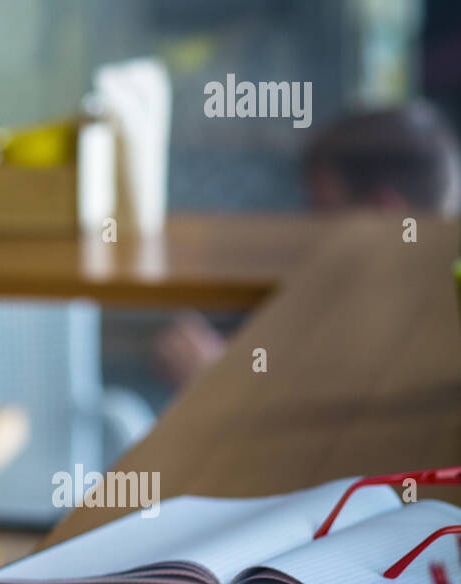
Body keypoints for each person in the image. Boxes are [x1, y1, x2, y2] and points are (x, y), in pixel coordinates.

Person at [156, 100, 461, 386]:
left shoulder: (411, 340)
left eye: (323, 211)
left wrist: (211, 383)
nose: (309, 230)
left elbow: (316, 436)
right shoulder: (397, 300)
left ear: (383, 211)